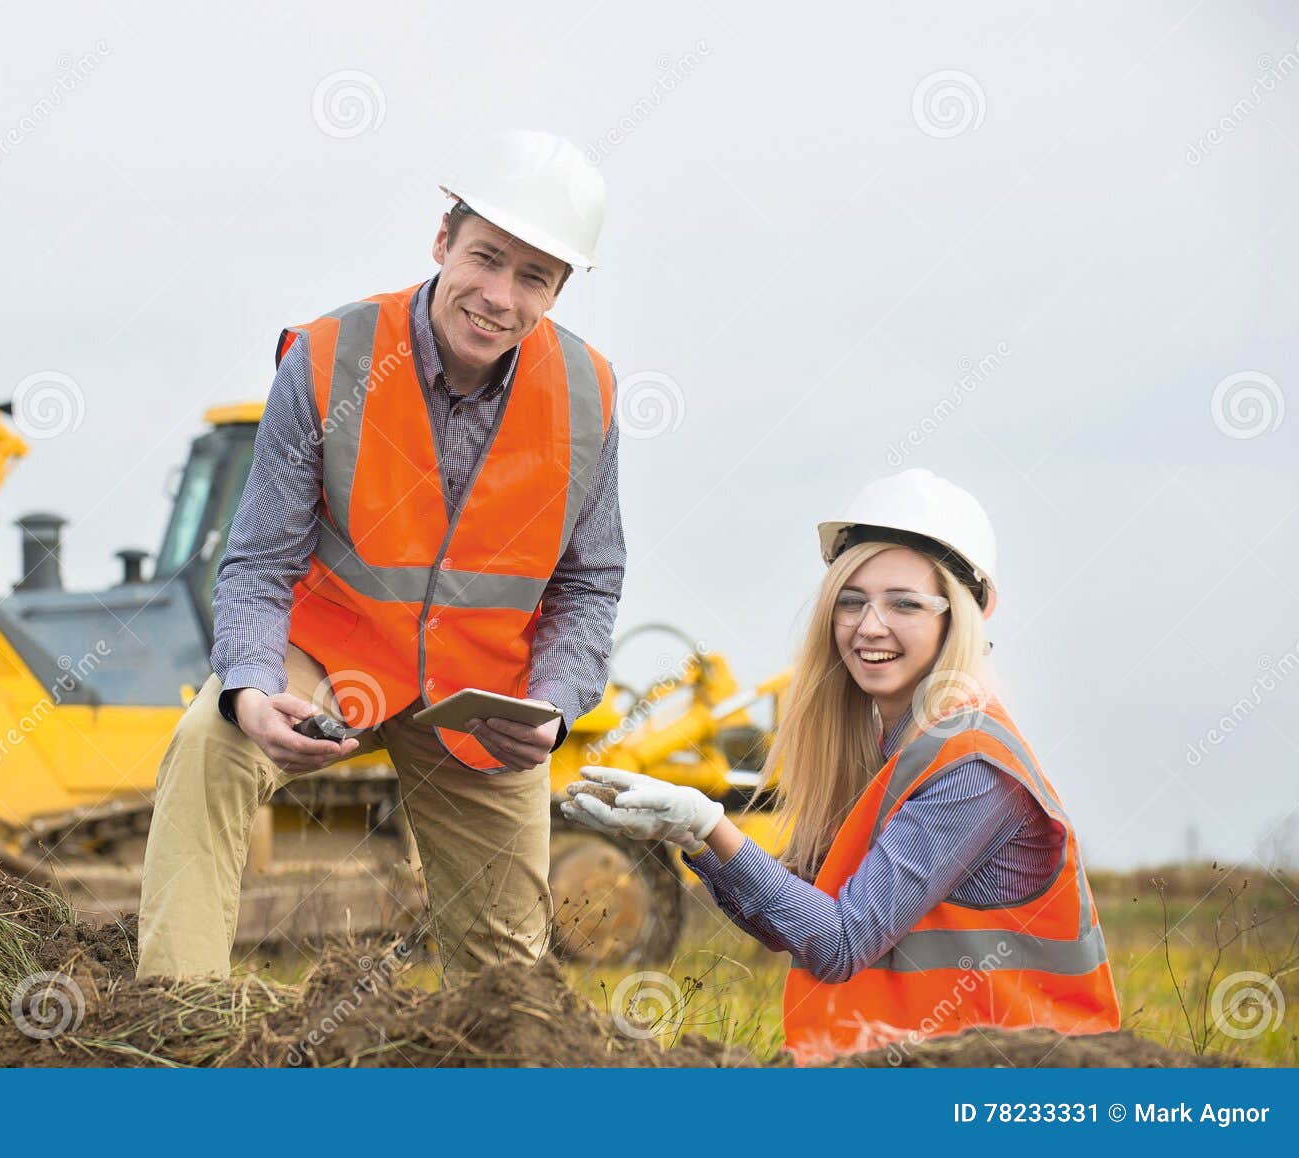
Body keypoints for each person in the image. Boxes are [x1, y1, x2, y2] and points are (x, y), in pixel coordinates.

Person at [137, 130, 625, 982]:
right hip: (334, 657)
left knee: (508, 980)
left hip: (484, 698)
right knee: (208, 747)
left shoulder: (589, 394)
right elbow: (259, 560)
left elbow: (589, 582)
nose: (500, 297)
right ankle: (179, 1030)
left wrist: (554, 704)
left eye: (533, 277)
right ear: (443, 242)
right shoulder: (329, 358)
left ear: (561, 288)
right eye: (485, 258)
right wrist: (251, 686)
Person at [563, 469, 1121, 1064]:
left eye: (904, 604)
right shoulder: (891, 749)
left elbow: (839, 942)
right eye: (851, 602)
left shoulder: (971, 766)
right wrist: (695, 843)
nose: (868, 626)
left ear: (963, 614)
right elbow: (795, 921)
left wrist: (710, 827)